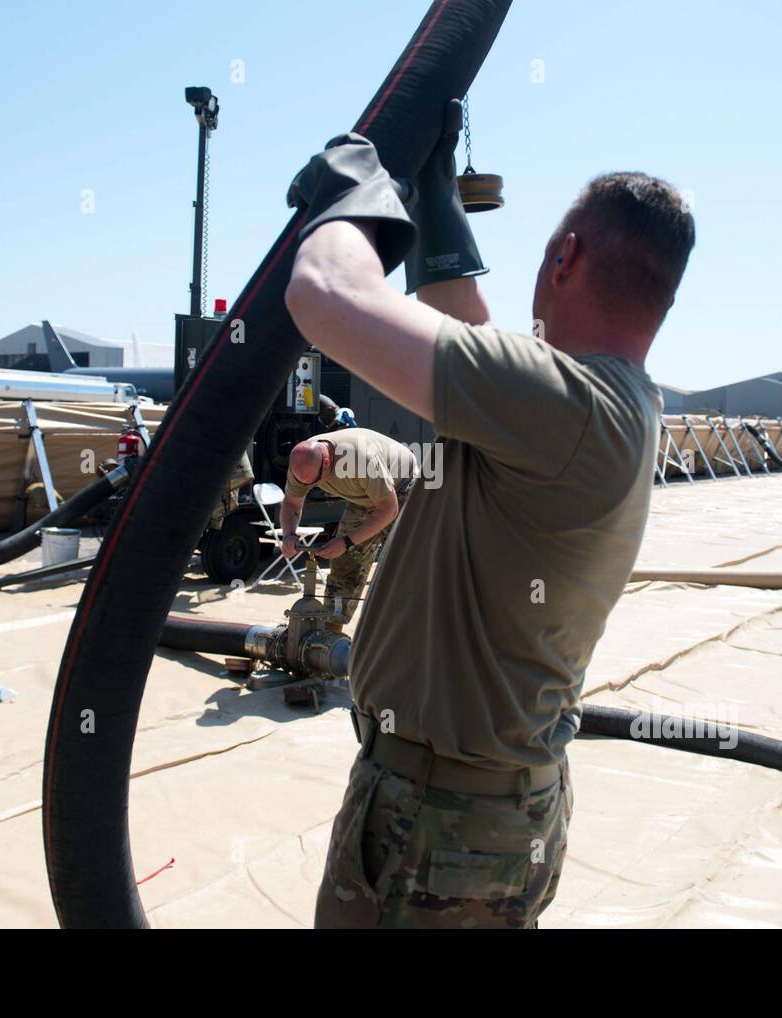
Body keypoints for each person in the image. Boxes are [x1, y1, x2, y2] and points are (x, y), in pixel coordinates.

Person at [284, 100, 694, 928]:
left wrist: (348, 193)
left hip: (434, 824)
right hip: (481, 810)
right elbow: (460, 324)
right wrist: (432, 187)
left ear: (565, 256)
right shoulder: (610, 406)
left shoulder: (566, 404)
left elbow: (325, 293)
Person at [279, 429, 418, 631]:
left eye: (315, 483)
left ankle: (418, 634)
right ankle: (330, 634)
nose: (310, 487)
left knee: (409, 564)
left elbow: (389, 509)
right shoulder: (302, 461)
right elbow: (292, 503)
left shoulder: (361, 459)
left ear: (326, 464)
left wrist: (346, 542)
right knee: (345, 565)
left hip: (402, 490)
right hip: (364, 497)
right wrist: (289, 535)